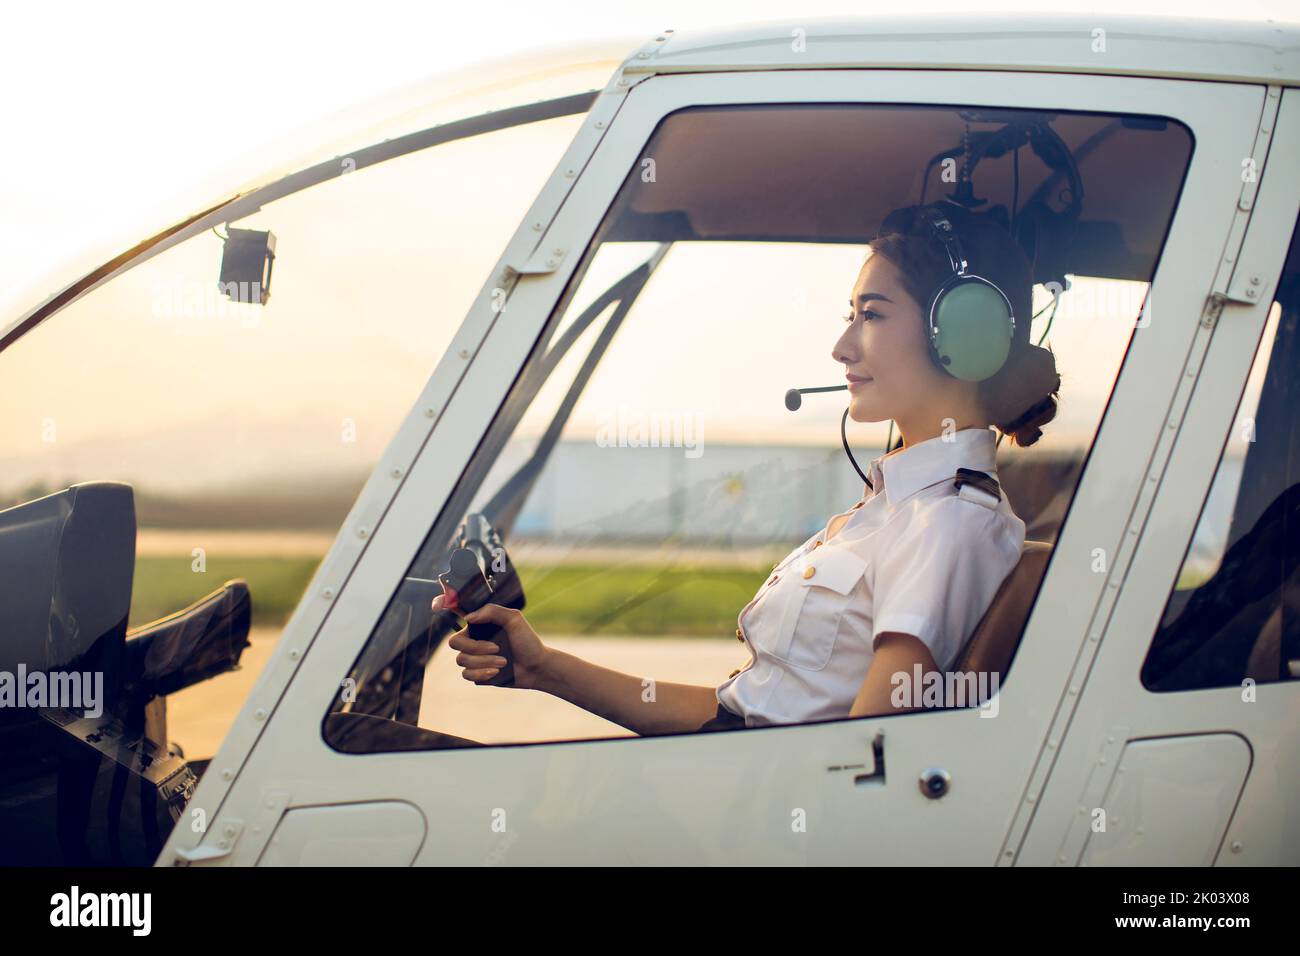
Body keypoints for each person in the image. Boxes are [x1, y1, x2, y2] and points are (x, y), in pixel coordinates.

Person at [432, 203, 1061, 734]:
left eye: (871, 315)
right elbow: (737, 715)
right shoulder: (893, 510)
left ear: (965, 333)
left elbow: (866, 768)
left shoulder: (944, 524)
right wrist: (543, 667)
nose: (842, 347)